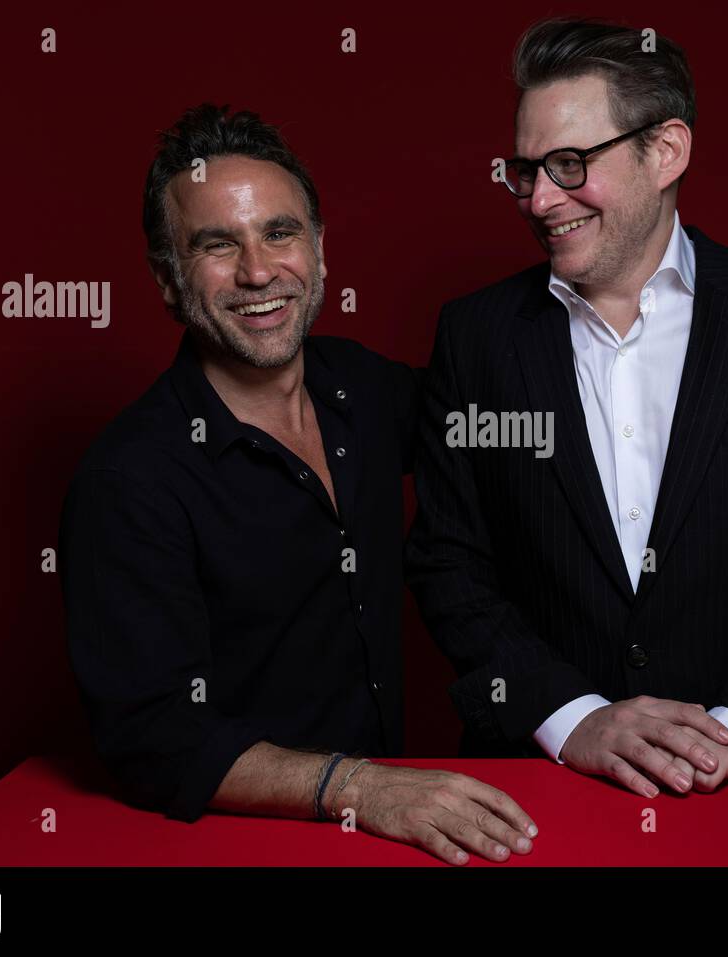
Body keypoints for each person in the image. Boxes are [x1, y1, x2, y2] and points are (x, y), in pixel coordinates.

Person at [407, 19, 728, 798]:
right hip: (541, 792)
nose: (540, 200)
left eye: (570, 164)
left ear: (665, 151)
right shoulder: (476, 338)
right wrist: (574, 718)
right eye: (525, 169)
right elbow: (447, 561)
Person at [59, 104, 535, 866]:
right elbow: (152, 737)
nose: (257, 271)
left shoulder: (364, 387)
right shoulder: (129, 480)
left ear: (317, 249)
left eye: (279, 233)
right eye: (218, 244)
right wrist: (363, 789)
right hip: (241, 844)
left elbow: (501, 427)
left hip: (399, 832)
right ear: (169, 280)